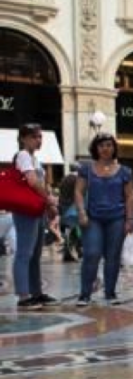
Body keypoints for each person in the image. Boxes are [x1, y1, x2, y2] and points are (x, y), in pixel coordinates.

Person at [74, 132, 133, 305]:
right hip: (92, 218)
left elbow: (130, 196)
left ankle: (110, 293)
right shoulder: (86, 169)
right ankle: (84, 294)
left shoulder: (125, 171)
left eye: (109, 145)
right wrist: (81, 212)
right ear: (96, 148)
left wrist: (130, 219)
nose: (105, 149)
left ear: (114, 148)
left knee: (113, 256)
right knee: (92, 254)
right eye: (101, 145)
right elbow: (78, 191)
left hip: (117, 218)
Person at [11, 123, 59, 310]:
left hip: (36, 210)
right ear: (23, 138)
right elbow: (31, 181)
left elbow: (40, 183)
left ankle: (36, 292)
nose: (38, 140)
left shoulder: (34, 159)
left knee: (35, 254)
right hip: (25, 210)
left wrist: (48, 204)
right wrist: (49, 200)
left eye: (39, 137)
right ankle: (24, 296)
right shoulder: (23, 155)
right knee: (25, 252)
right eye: (33, 136)